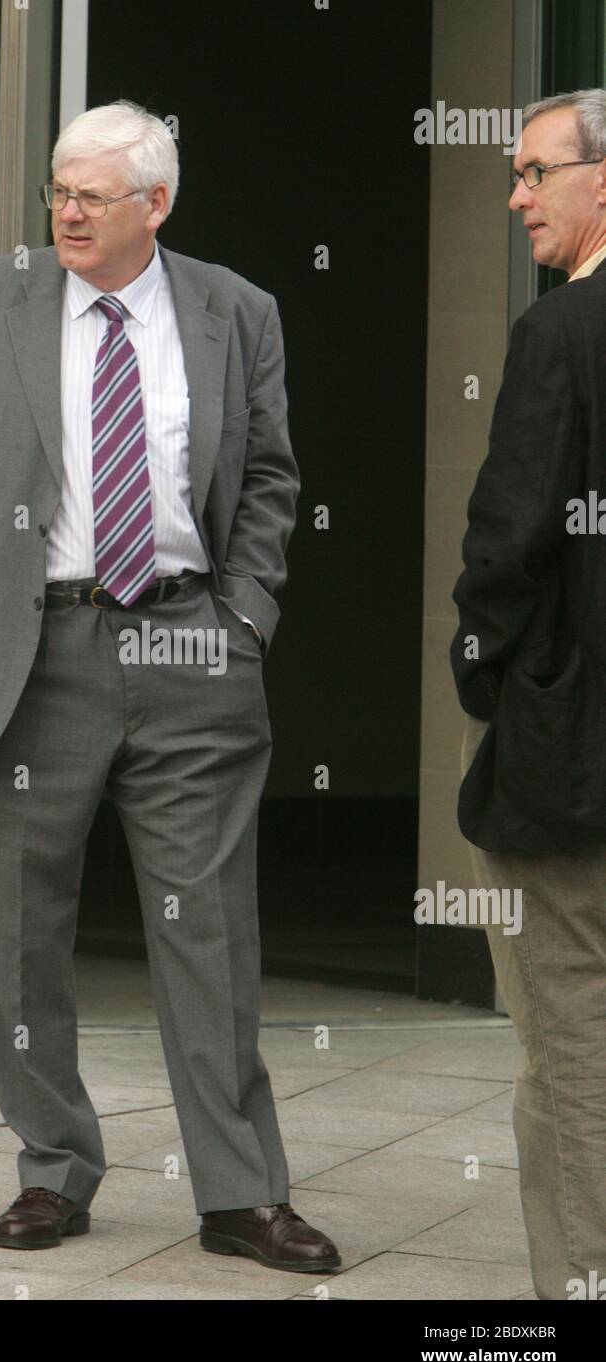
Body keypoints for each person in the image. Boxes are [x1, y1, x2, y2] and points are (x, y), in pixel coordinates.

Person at [0, 99, 340, 1273]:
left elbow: (271, 477)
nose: (65, 212)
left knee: (210, 929)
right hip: (34, 656)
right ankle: (51, 1168)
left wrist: (246, 614)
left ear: (155, 205)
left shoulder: (236, 311)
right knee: (24, 933)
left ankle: (240, 1192)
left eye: (91, 195)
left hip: (190, 648)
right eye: (57, 191)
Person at [451, 88, 606, 1300]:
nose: (514, 197)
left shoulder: (560, 333)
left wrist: (486, 673)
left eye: (530, 172)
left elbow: (506, 545)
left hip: (571, 769)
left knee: (568, 1042)